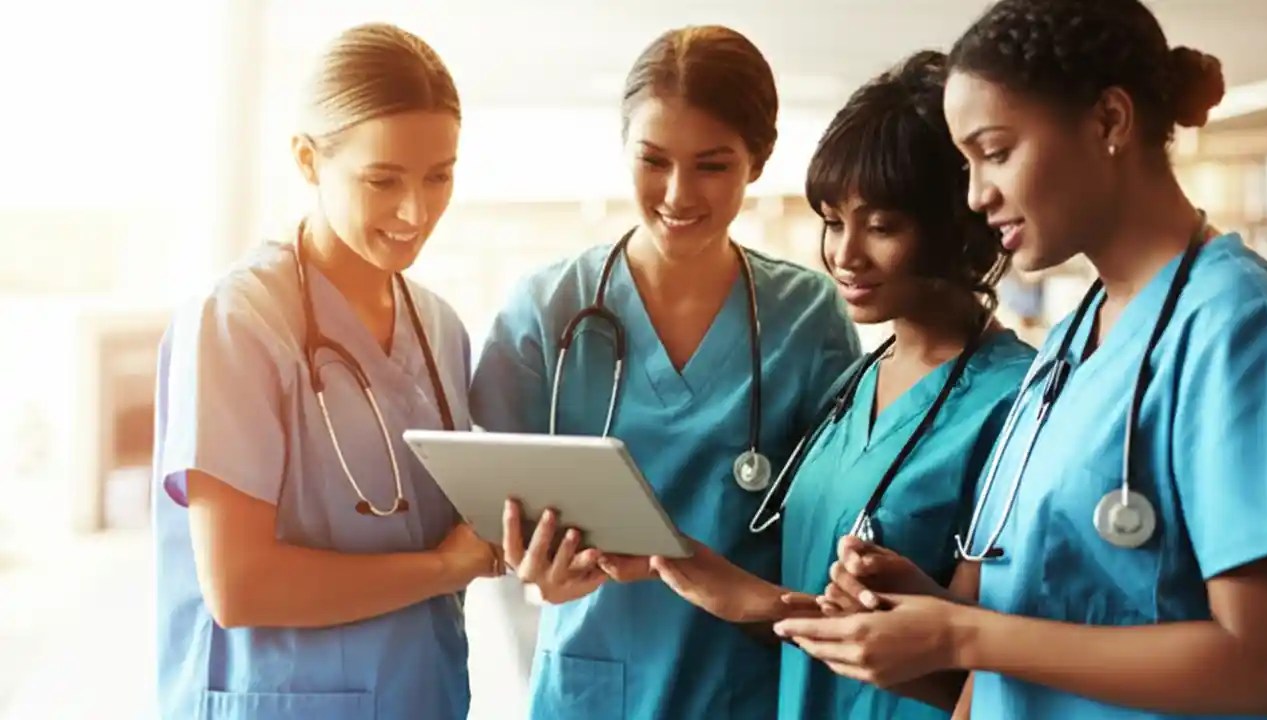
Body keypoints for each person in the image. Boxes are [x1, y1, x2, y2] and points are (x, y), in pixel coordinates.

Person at [775, 1, 1267, 718]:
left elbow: (1258, 663)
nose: (977, 195)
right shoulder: (1070, 343)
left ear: (1109, 121)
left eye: (996, 152)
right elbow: (1018, 634)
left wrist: (964, 632)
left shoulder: (1237, 327)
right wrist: (921, 612)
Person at [468, 25, 862, 720]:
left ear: (759, 160)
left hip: (742, 686)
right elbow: (492, 522)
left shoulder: (807, 317)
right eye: (654, 160)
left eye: (712, 165)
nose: (678, 193)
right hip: (589, 691)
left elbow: (830, 523)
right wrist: (532, 573)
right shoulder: (548, 310)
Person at [647, 50, 1035, 720]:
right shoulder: (854, 384)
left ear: (958, 224)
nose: (844, 254)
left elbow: (992, 671)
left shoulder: (1018, 404)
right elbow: (830, 613)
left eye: (881, 226)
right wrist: (730, 588)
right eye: (833, 221)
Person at [151, 23, 502, 720]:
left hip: (420, 697)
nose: (417, 211)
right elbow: (239, 585)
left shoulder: (439, 329)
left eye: (440, 175)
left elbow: (462, 534)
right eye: (383, 180)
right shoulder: (240, 321)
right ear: (308, 161)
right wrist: (441, 569)